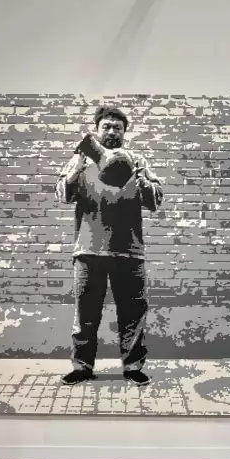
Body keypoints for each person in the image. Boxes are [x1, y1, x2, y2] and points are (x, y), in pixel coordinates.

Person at [56, 106, 163, 386]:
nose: (112, 131)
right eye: (107, 126)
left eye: (118, 127)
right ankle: (82, 366)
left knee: (133, 313)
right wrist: (78, 166)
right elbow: (63, 194)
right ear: (97, 129)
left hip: (129, 251)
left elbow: (155, 201)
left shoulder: (137, 159)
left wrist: (142, 180)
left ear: (124, 132)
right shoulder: (81, 159)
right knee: (86, 313)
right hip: (89, 251)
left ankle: (133, 367)